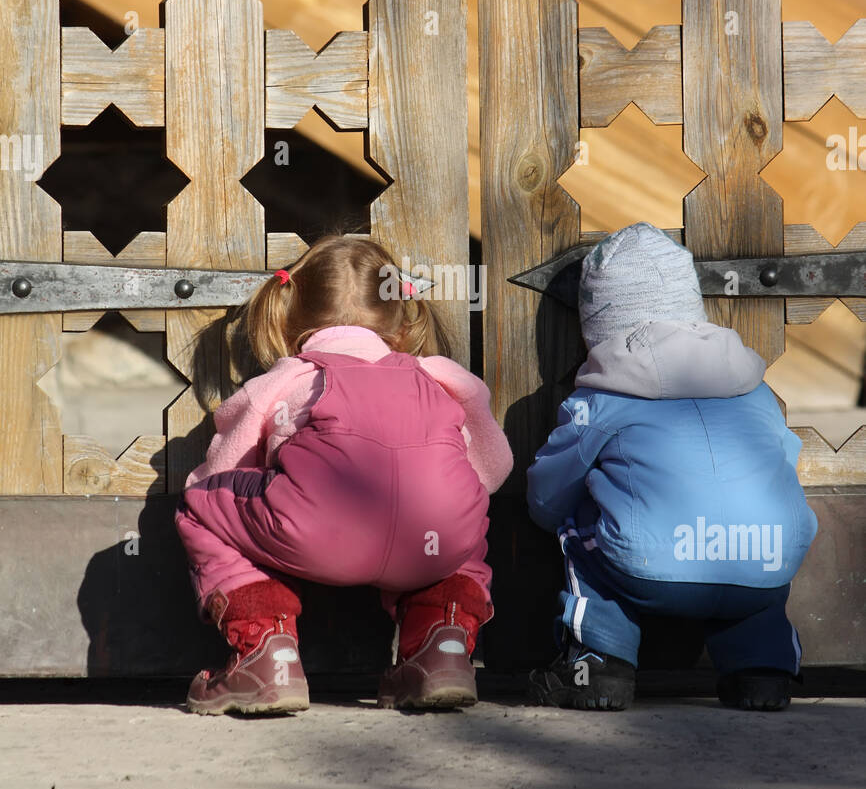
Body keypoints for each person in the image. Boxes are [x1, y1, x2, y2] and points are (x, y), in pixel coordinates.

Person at [175, 234, 512, 715]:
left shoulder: (291, 377)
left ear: (291, 312)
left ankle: (266, 651)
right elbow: (492, 470)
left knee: (201, 504)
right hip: (432, 542)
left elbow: (227, 470)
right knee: (465, 510)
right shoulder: (442, 378)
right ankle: (443, 648)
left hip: (317, 536)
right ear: (400, 316)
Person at [527, 222, 818, 712]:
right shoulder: (756, 388)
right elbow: (785, 464)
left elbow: (548, 495)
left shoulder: (603, 398)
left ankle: (598, 665)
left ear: (597, 326)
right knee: (763, 531)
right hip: (766, 559)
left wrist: (549, 509)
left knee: (578, 526)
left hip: (651, 569)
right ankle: (763, 669)